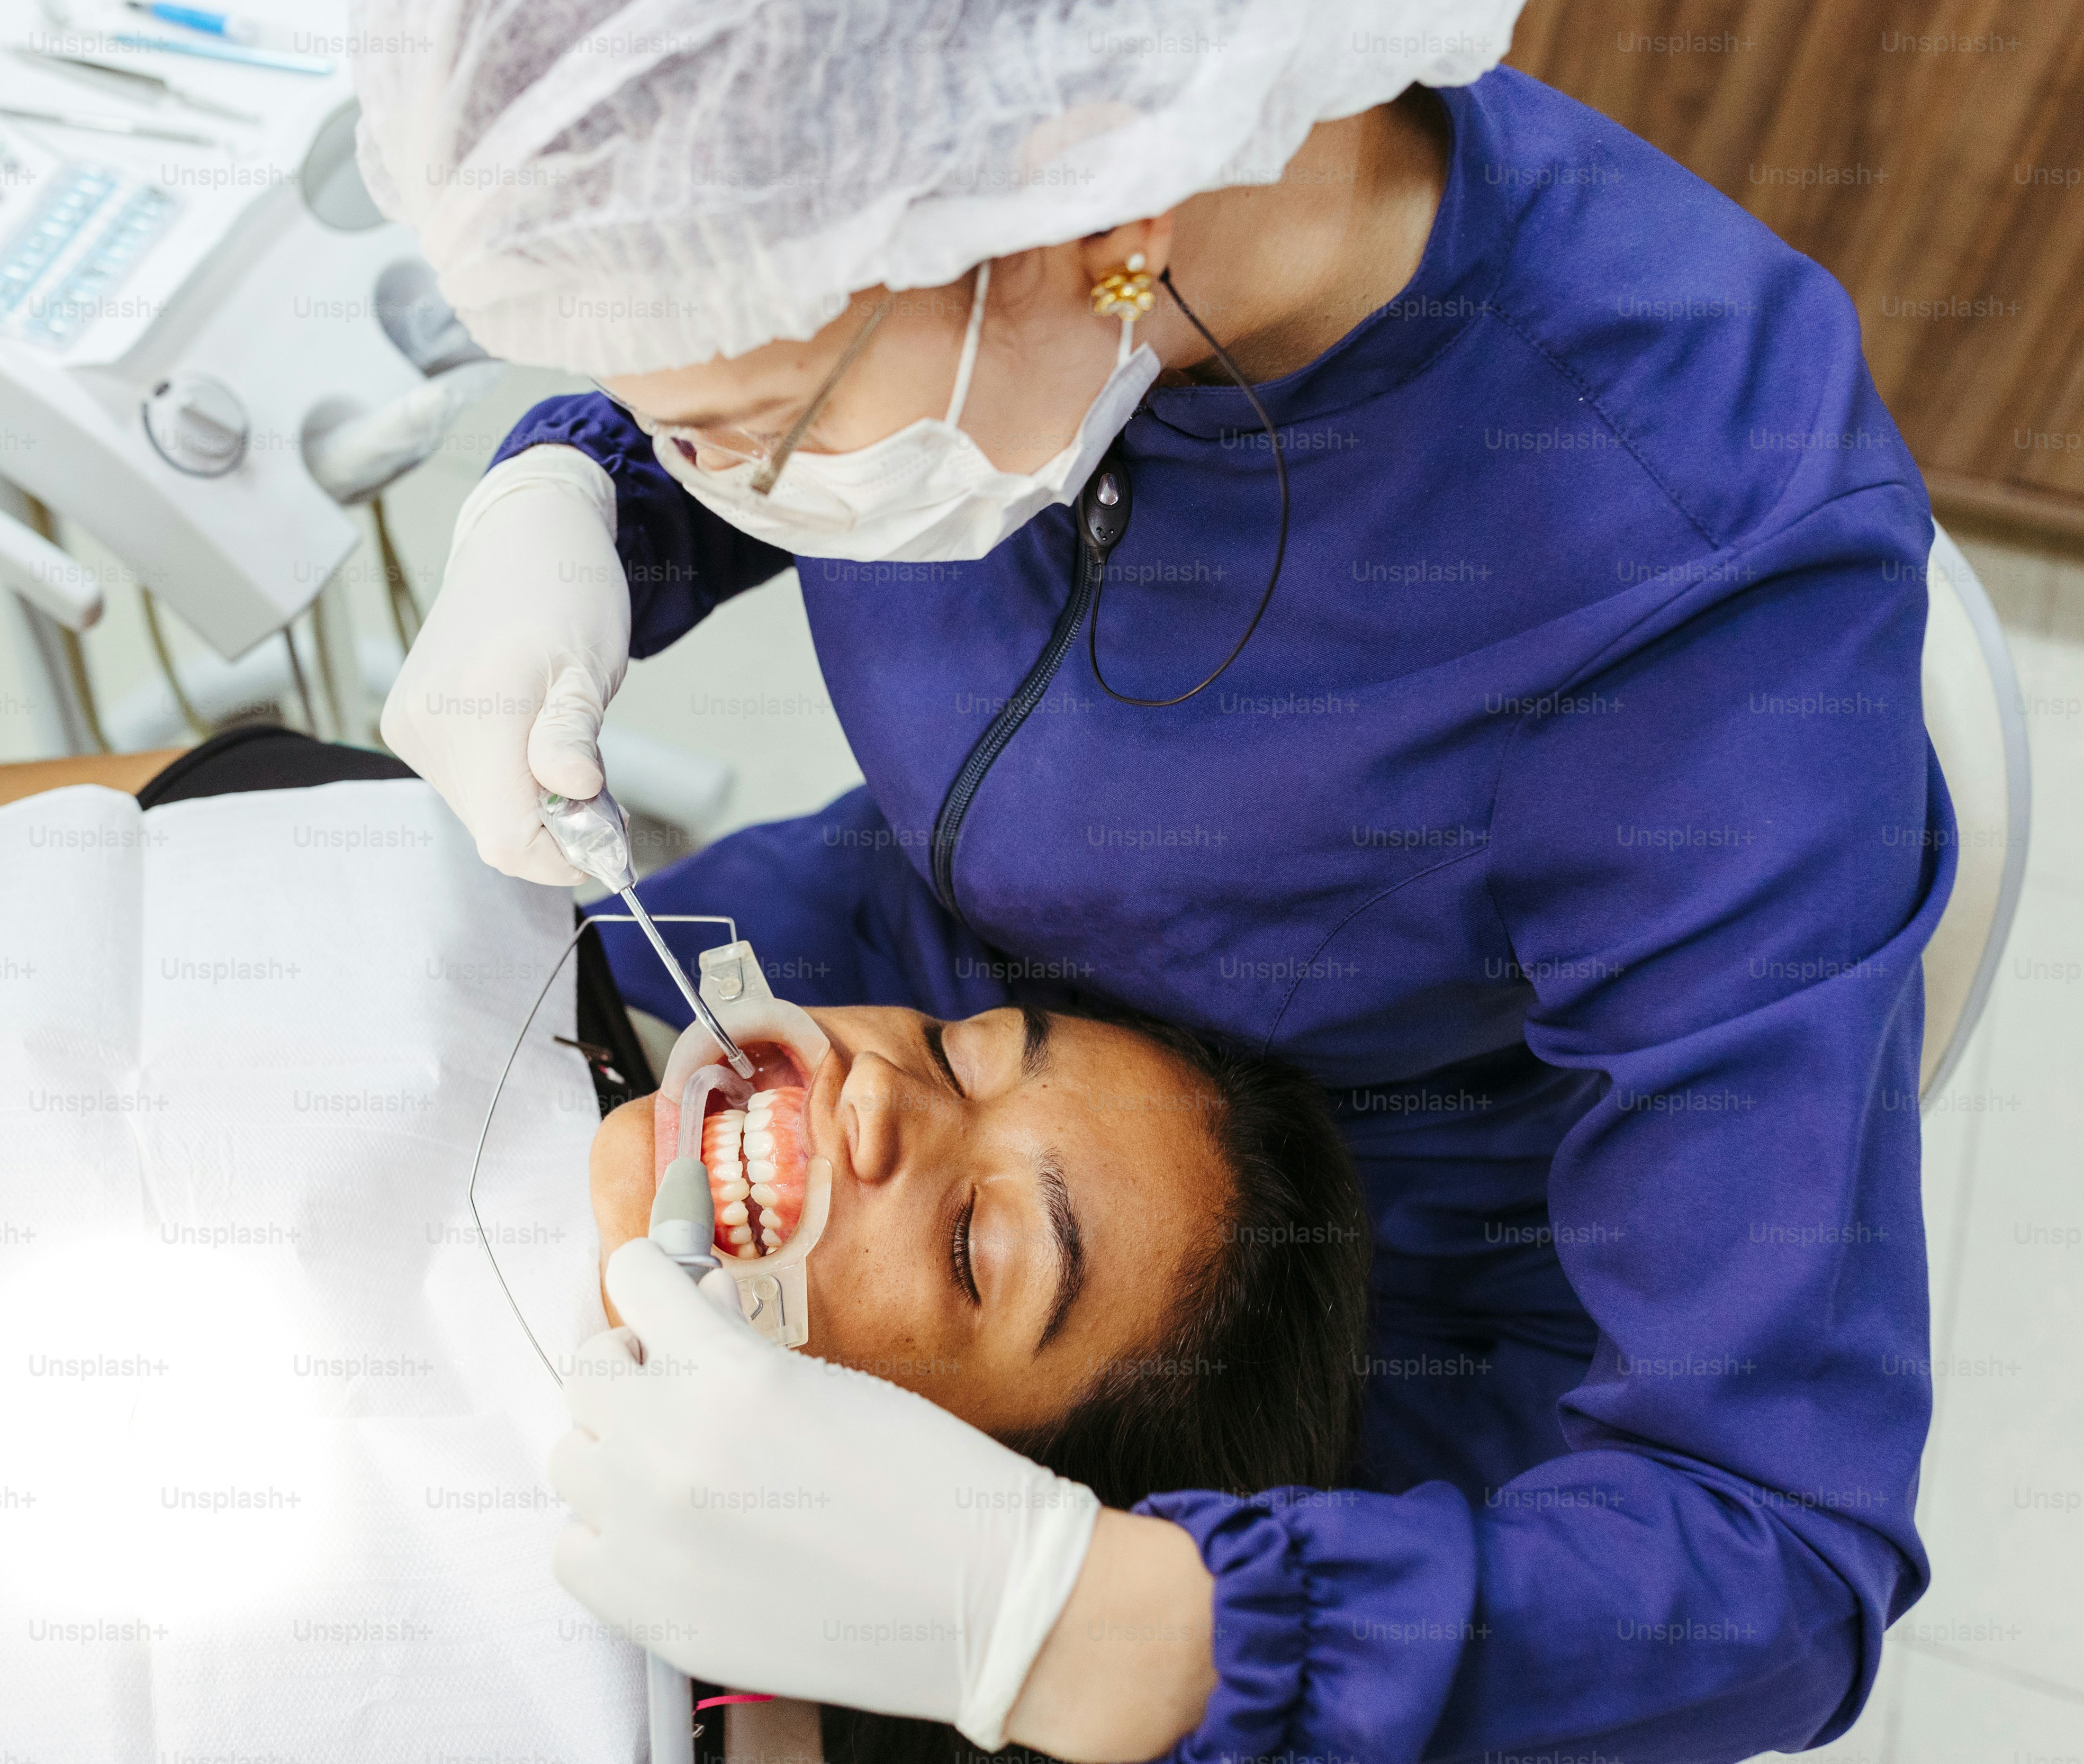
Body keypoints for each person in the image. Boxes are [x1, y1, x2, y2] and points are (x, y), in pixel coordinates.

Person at [347, 3, 1951, 1760]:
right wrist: (583, 493)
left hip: (1264, 1293)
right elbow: (786, 278)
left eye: (749, 430)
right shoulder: (959, 181)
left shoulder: (1691, 579)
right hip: (918, 970)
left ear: (1097, 220)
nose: (715, 470)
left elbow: (1777, 1559)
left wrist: (1102, 1625)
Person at [0, 730, 1367, 1763]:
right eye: (958, 1049)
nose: (879, 1103)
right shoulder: (392, 876)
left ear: (955, 1497)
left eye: (974, 1252)